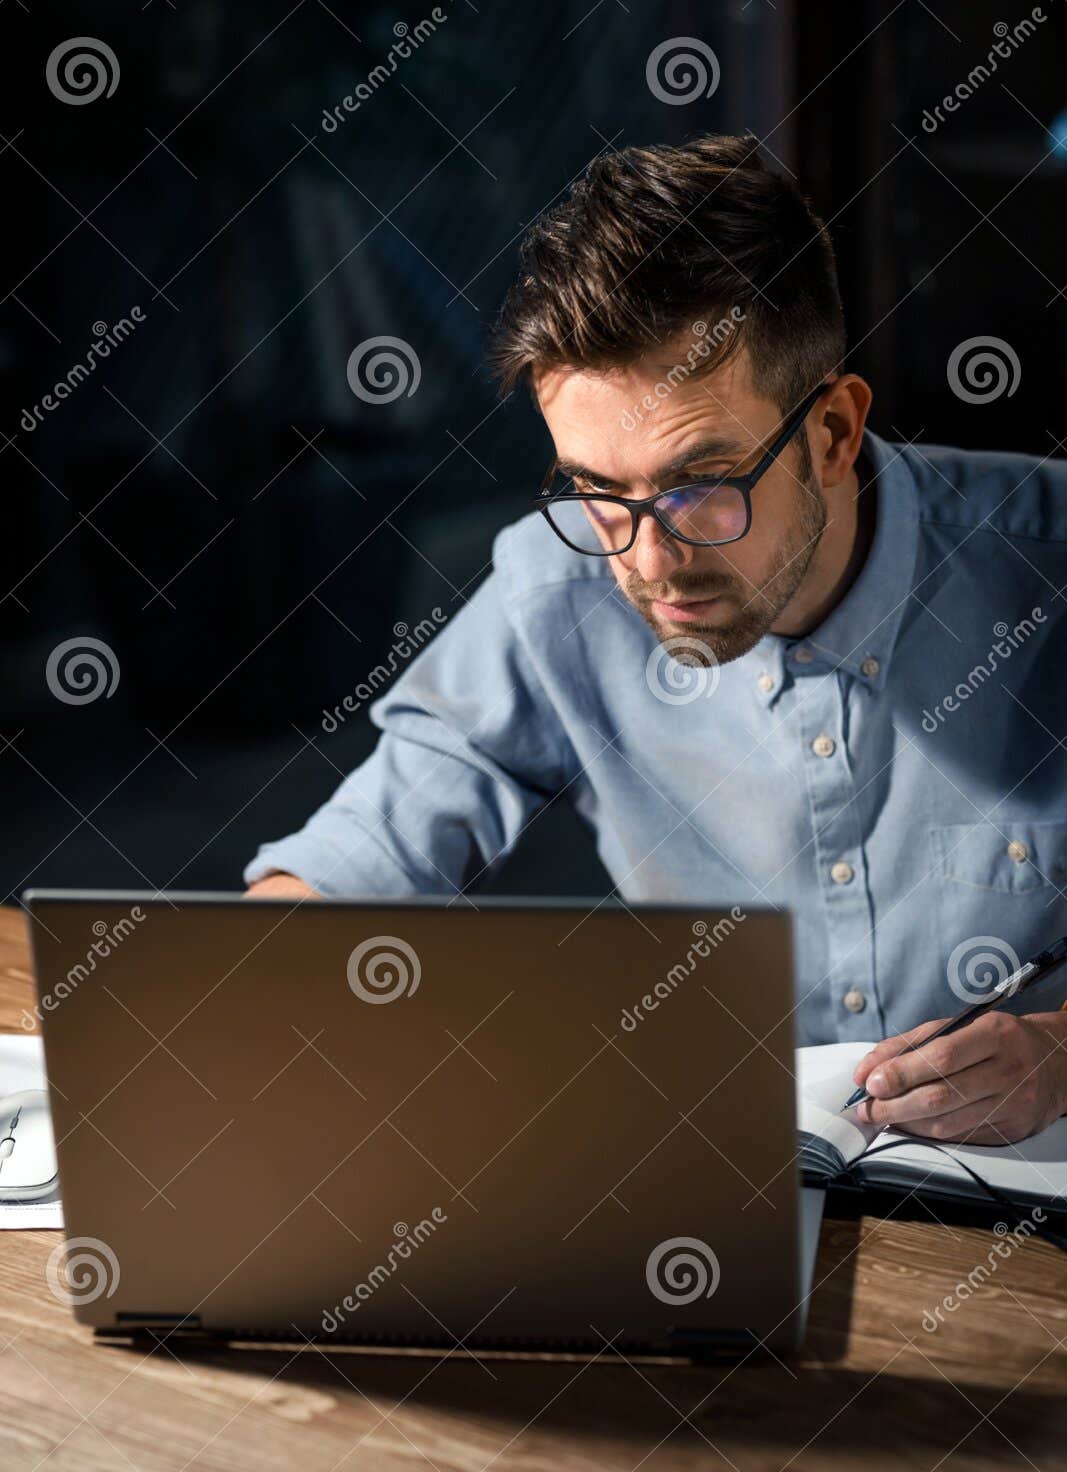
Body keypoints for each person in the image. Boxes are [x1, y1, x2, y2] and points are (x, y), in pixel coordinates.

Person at [245, 133, 1067, 1146]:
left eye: (698, 485)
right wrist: (259, 982)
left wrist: (1059, 1055)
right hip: (725, 1191)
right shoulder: (555, 587)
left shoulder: (1047, 566)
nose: (646, 558)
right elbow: (359, 857)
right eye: (596, 490)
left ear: (832, 433)